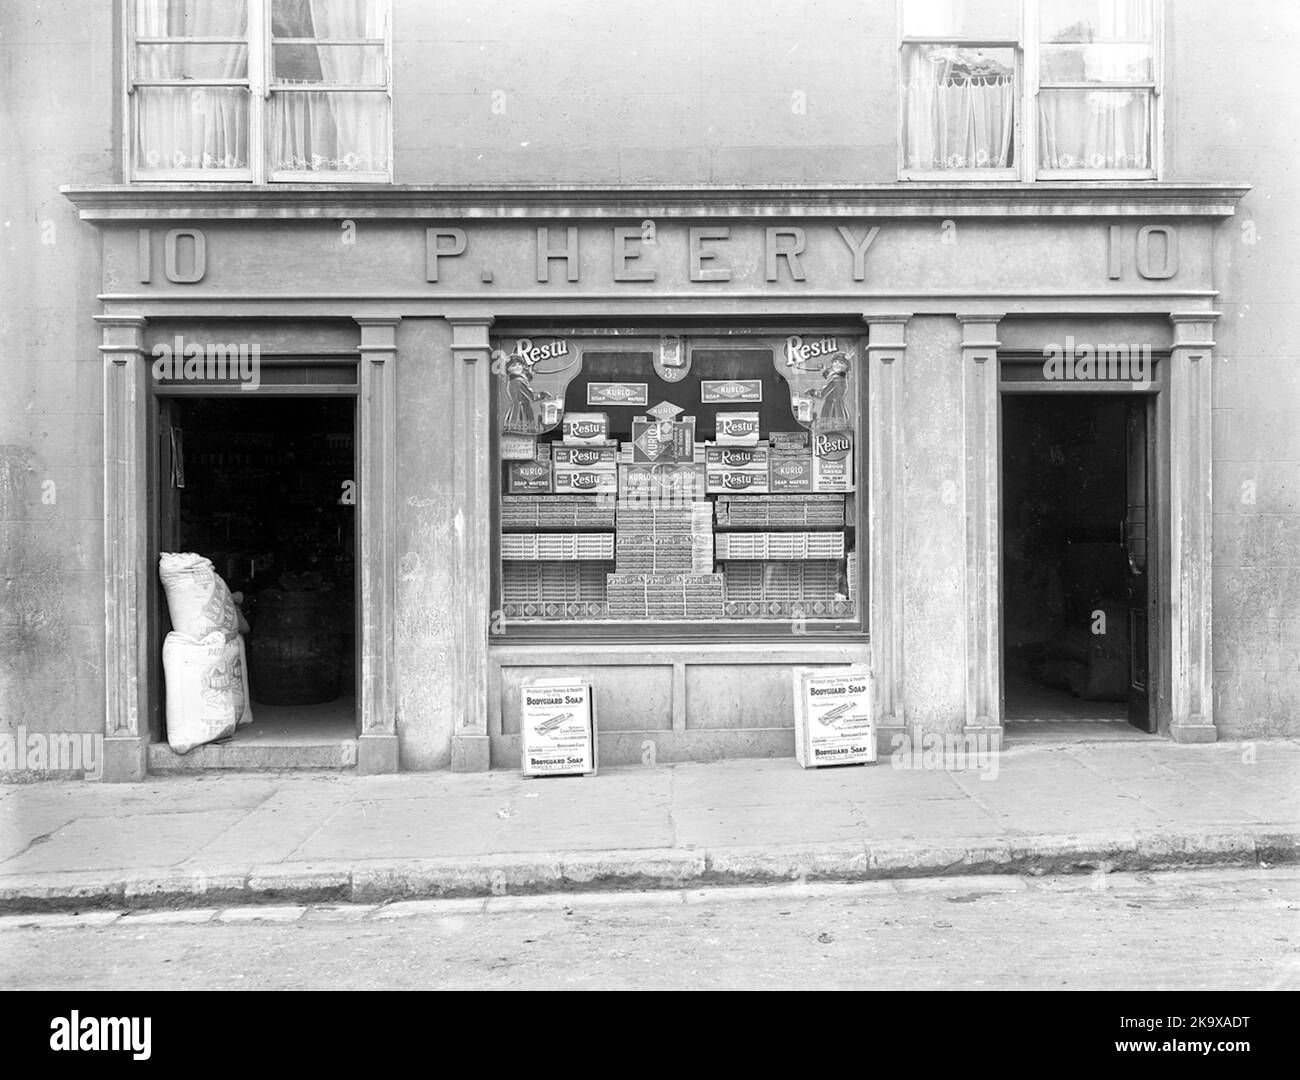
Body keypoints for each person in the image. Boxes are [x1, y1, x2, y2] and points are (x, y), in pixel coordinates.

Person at [805, 353, 851, 428]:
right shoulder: (843, 377)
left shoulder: (835, 379)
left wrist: (811, 392)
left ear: (846, 366)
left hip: (831, 408)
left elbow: (821, 394)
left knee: (829, 430)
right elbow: (831, 376)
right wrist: (824, 371)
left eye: (841, 363)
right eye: (835, 362)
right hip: (840, 409)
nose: (837, 364)